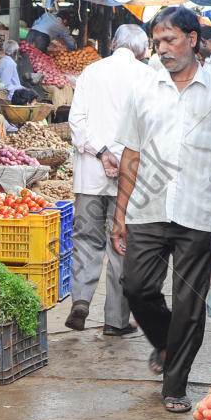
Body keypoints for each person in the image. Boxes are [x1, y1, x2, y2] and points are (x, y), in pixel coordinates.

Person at [111, 6, 211, 414]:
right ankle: (166, 345)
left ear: (192, 39)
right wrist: (120, 215)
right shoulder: (143, 89)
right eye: (157, 41)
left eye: (170, 39)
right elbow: (131, 154)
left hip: (197, 208)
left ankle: (175, 385)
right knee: (136, 287)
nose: (162, 49)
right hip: (147, 207)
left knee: (189, 304)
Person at [65, 24, 151, 336]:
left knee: (86, 239)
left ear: (113, 43)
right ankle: (116, 320)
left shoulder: (91, 71)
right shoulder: (147, 76)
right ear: (142, 51)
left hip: (90, 173)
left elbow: (76, 121)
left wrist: (102, 153)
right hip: (131, 176)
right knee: (122, 244)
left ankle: (81, 300)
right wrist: (121, 156)